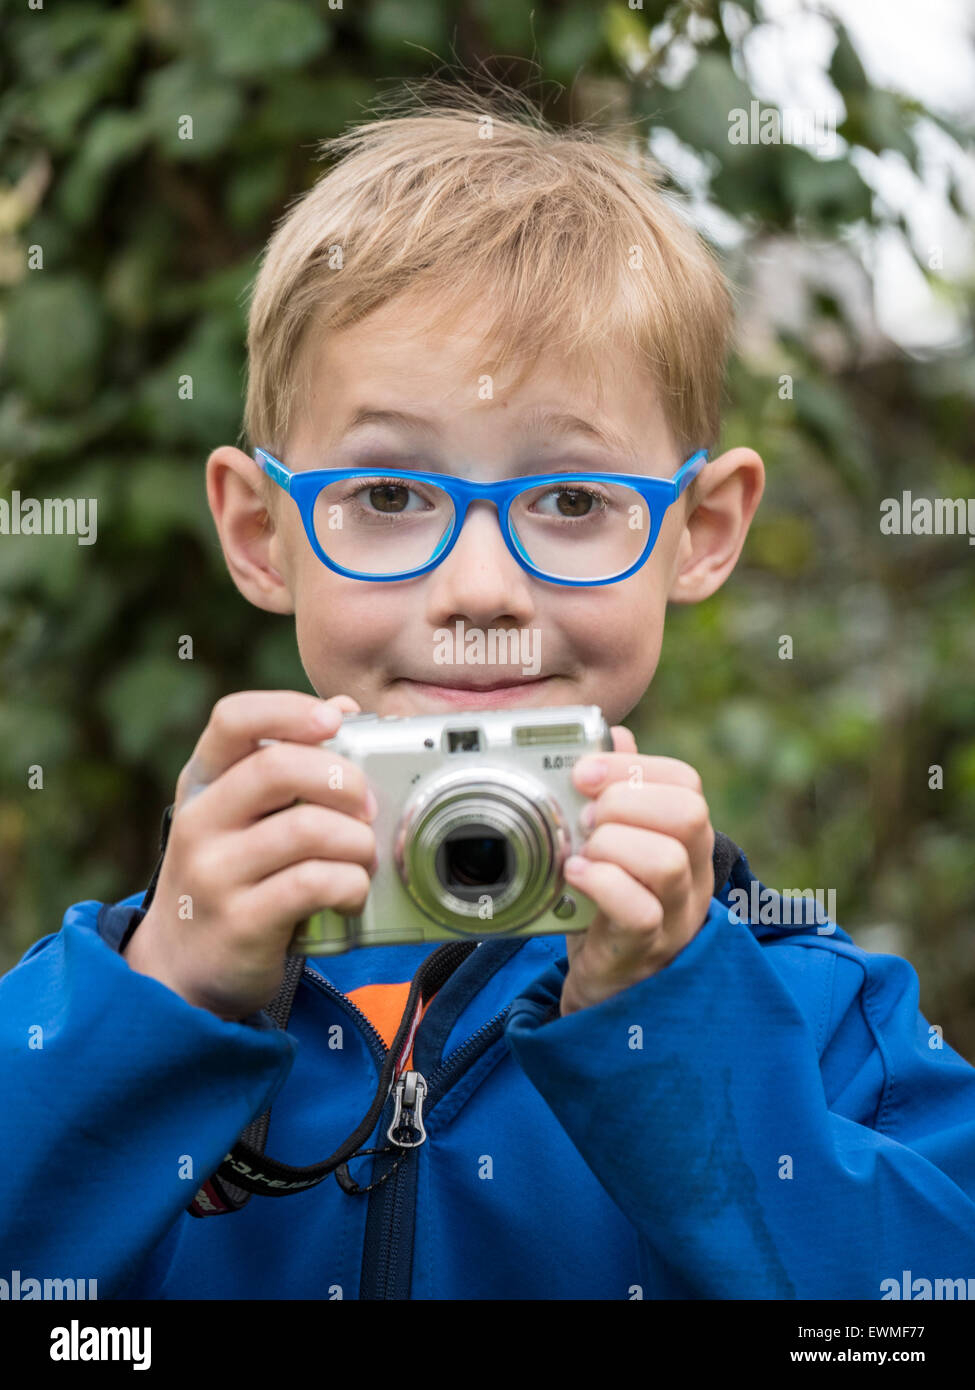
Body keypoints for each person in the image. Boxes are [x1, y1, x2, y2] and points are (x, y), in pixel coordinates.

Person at [3, 85, 974, 1302]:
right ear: (263, 533)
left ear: (701, 529)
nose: (480, 587)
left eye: (570, 502)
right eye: (391, 495)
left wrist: (673, 1030)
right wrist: (158, 1012)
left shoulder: (831, 1023)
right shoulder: (116, 996)